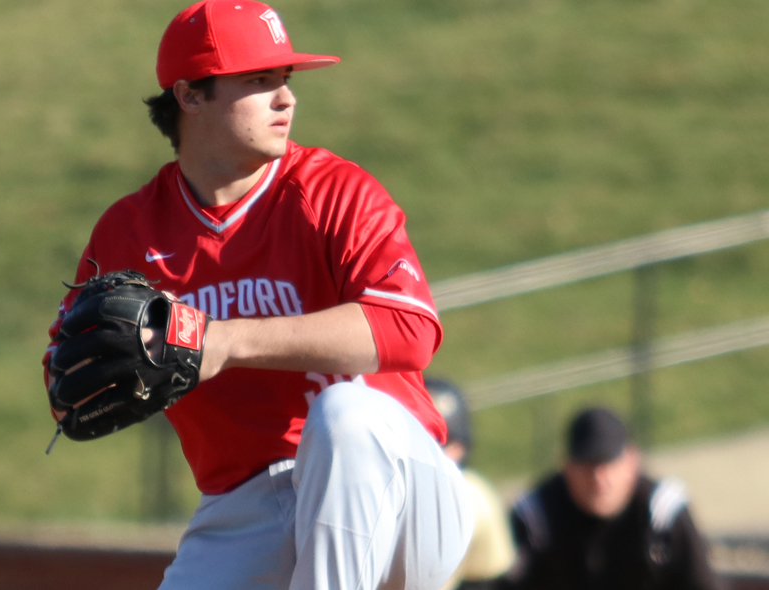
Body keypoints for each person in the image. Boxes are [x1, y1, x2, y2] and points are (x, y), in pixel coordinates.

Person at [41, 1, 472, 588]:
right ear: (190, 95)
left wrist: (224, 340)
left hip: (400, 491)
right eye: (259, 80)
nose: (286, 98)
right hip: (249, 504)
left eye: (284, 79)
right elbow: (66, 387)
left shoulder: (334, 191)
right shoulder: (130, 233)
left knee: (345, 414)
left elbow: (410, 329)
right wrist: (108, 372)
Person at [500, 407, 721, 590]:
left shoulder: (662, 514)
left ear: (632, 461)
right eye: (588, 465)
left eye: (608, 463)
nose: (599, 478)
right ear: (566, 466)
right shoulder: (535, 516)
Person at [428, 378, 515, 590]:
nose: (434, 452)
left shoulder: (476, 498)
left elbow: (484, 581)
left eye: (444, 443)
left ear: (463, 447)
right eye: (426, 440)